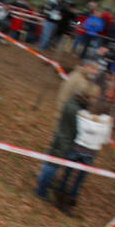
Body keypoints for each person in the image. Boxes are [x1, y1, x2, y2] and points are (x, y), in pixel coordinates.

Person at [36, 60, 101, 200]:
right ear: (88, 67)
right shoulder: (76, 79)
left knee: (54, 152)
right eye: (95, 69)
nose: (96, 72)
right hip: (66, 126)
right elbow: (63, 97)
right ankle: (42, 182)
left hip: (66, 123)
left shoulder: (83, 81)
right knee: (55, 157)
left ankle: (44, 178)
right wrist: (61, 115)